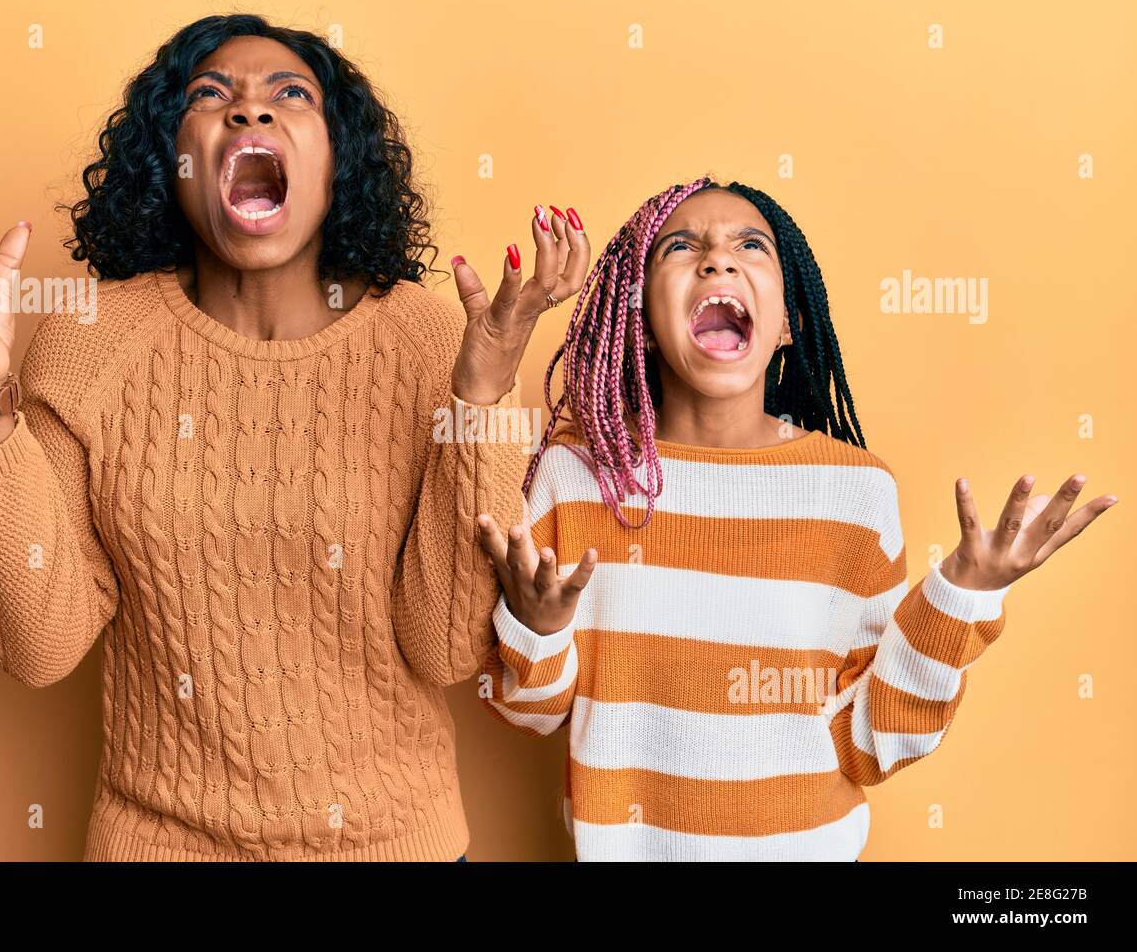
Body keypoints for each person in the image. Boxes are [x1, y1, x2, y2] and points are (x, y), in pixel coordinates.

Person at [0, 13, 590, 862]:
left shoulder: (428, 338)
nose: (249, 113)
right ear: (172, 158)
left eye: (289, 96)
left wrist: (482, 391)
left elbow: (447, 646)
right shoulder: (92, 338)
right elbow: (38, 644)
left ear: (339, 158)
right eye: (210, 96)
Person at [474, 174, 1117, 861]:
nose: (718, 259)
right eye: (680, 247)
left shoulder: (853, 495)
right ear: (641, 321)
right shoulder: (577, 480)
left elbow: (868, 739)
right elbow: (529, 711)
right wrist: (538, 627)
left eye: (751, 246)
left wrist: (962, 594)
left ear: (788, 321)